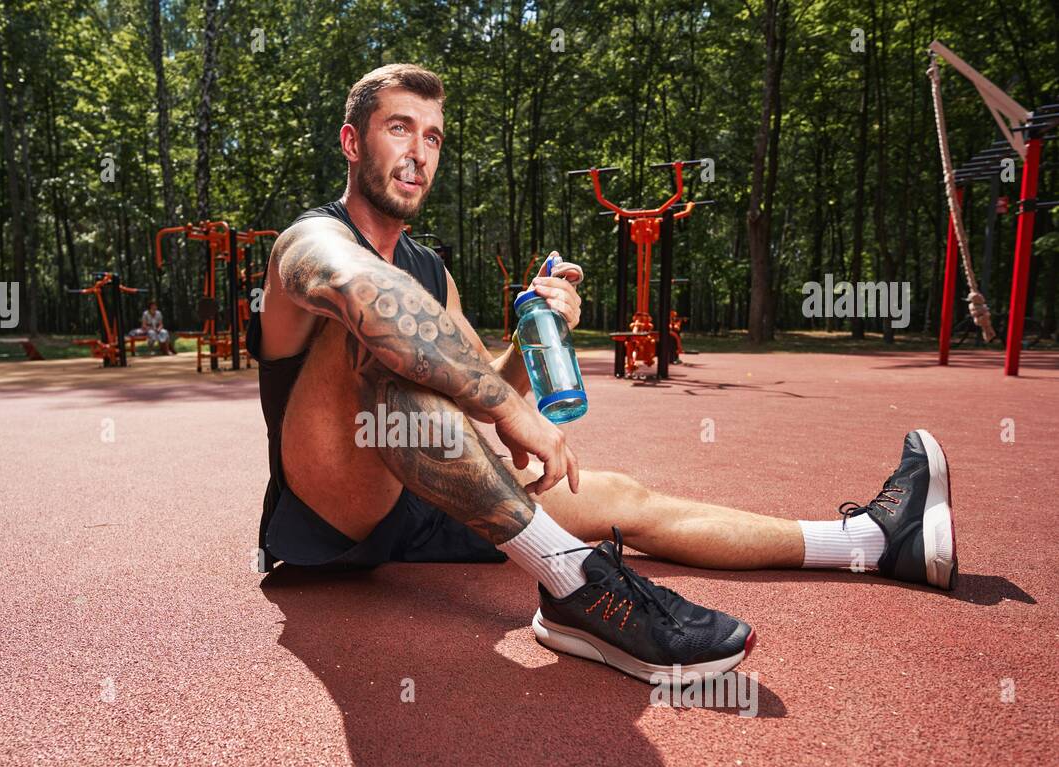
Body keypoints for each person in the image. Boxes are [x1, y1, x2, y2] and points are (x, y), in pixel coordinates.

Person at [251, 64, 956, 685]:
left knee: (623, 497)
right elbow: (373, 302)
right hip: (332, 511)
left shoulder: (431, 270)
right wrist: (506, 409)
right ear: (352, 143)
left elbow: (473, 378)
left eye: (432, 136)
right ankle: (575, 583)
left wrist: (536, 332)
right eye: (398, 129)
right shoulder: (309, 242)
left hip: (419, 501)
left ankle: (869, 542)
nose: (418, 152)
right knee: (383, 351)